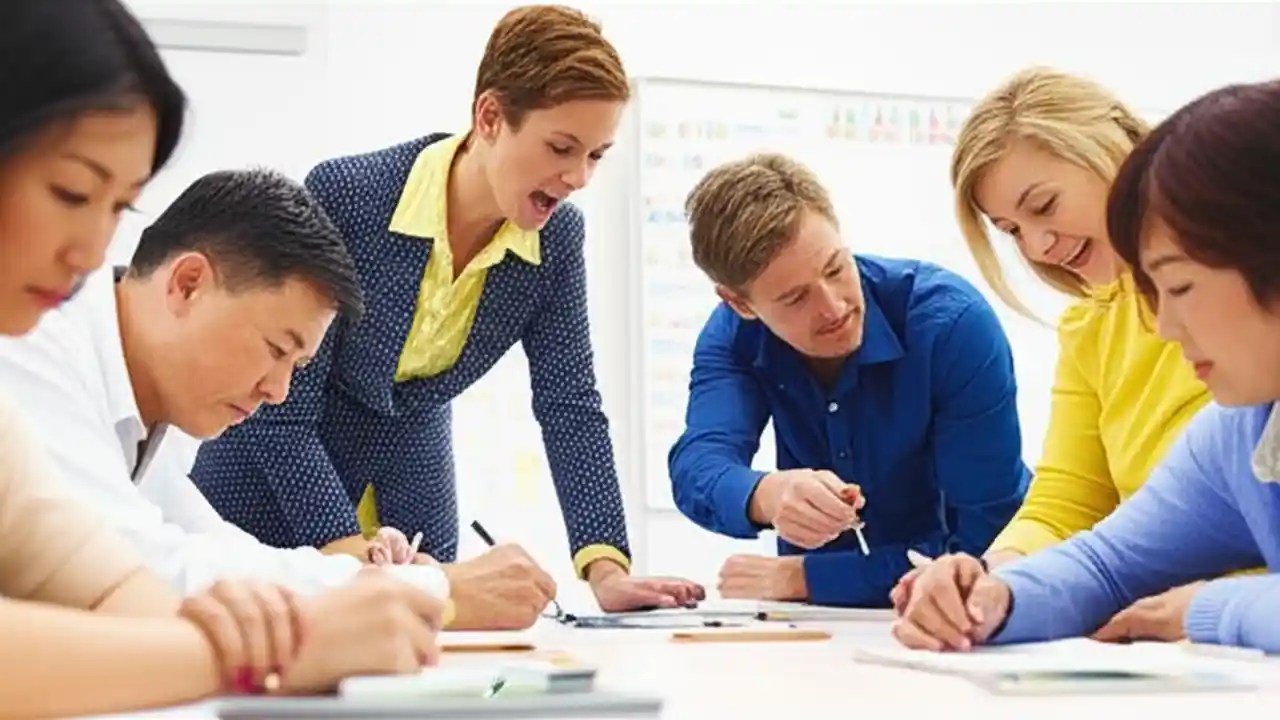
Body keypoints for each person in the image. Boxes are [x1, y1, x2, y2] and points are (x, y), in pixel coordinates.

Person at [190, 4, 704, 629]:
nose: (577, 177)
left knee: (427, 660)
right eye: (561, 147)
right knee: (252, 640)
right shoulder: (349, 194)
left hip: (411, 475)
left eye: (597, 155)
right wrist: (348, 554)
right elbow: (282, 403)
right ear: (490, 117)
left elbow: (570, 402)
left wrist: (607, 570)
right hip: (282, 469)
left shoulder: (556, 241)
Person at [0, 1, 444, 717]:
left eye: (117, 209)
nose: (88, 253)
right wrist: (271, 650)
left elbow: (114, 583)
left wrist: (290, 626)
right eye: (71, 192)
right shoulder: (39, 349)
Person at [892, 79, 1280, 654]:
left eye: (1178, 286)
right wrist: (995, 594)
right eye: (1011, 231)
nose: (1166, 326)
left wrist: (1202, 608)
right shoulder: (1235, 432)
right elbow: (1103, 561)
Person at [0, 167, 451, 598]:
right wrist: (424, 588)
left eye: (297, 365)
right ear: (188, 284)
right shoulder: (34, 342)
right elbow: (126, 565)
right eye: (276, 349)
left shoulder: (152, 404)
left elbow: (208, 547)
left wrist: (365, 573)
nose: (278, 391)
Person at [667, 152, 1031, 607]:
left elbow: (984, 546)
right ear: (740, 304)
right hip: (820, 634)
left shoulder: (950, 324)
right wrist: (768, 495)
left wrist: (808, 579)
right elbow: (697, 466)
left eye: (837, 268)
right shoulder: (734, 336)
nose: (834, 307)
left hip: (960, 615)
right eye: (795, 298)